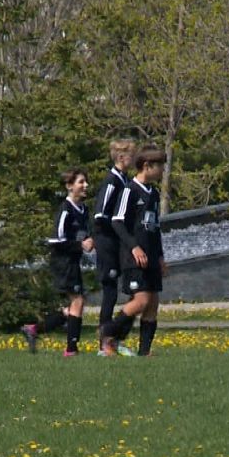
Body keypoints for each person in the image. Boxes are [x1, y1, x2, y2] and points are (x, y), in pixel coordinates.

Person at [100, 145, 167, 357]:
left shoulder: (154, 194)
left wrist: (160, 256)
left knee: (152, 303)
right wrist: (135, 247)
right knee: (141, 300)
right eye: (160, 167)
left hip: (151, 257)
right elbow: (117, 222)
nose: (162, 171)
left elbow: (155, 229)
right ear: (147, 166)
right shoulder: (129, 190)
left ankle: (144, 351)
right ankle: (108, 332)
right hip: (133, 256)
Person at [22, 168, 92, 356]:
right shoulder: (65, 210)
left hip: (73, 262)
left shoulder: (84, 209)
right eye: (81, 182)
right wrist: (80, 245)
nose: (85, 185)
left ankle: (34, 329)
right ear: (70, 186)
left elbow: (84, 235)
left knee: (75, 306)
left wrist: (91, 241)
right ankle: (71, 349)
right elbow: (57, 240)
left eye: (86, 182)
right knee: (78, 301)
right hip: (63, 262)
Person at [92, 139, 136, 356]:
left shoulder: (125, 181)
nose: (134, 160)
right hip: (107, 243)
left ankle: (115, 337)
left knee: (127, 289)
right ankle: (104, 342)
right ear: (121, 157)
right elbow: (100, 215)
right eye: (131, 156)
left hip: (117, 243)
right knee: (109, 291)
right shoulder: (111, 182)